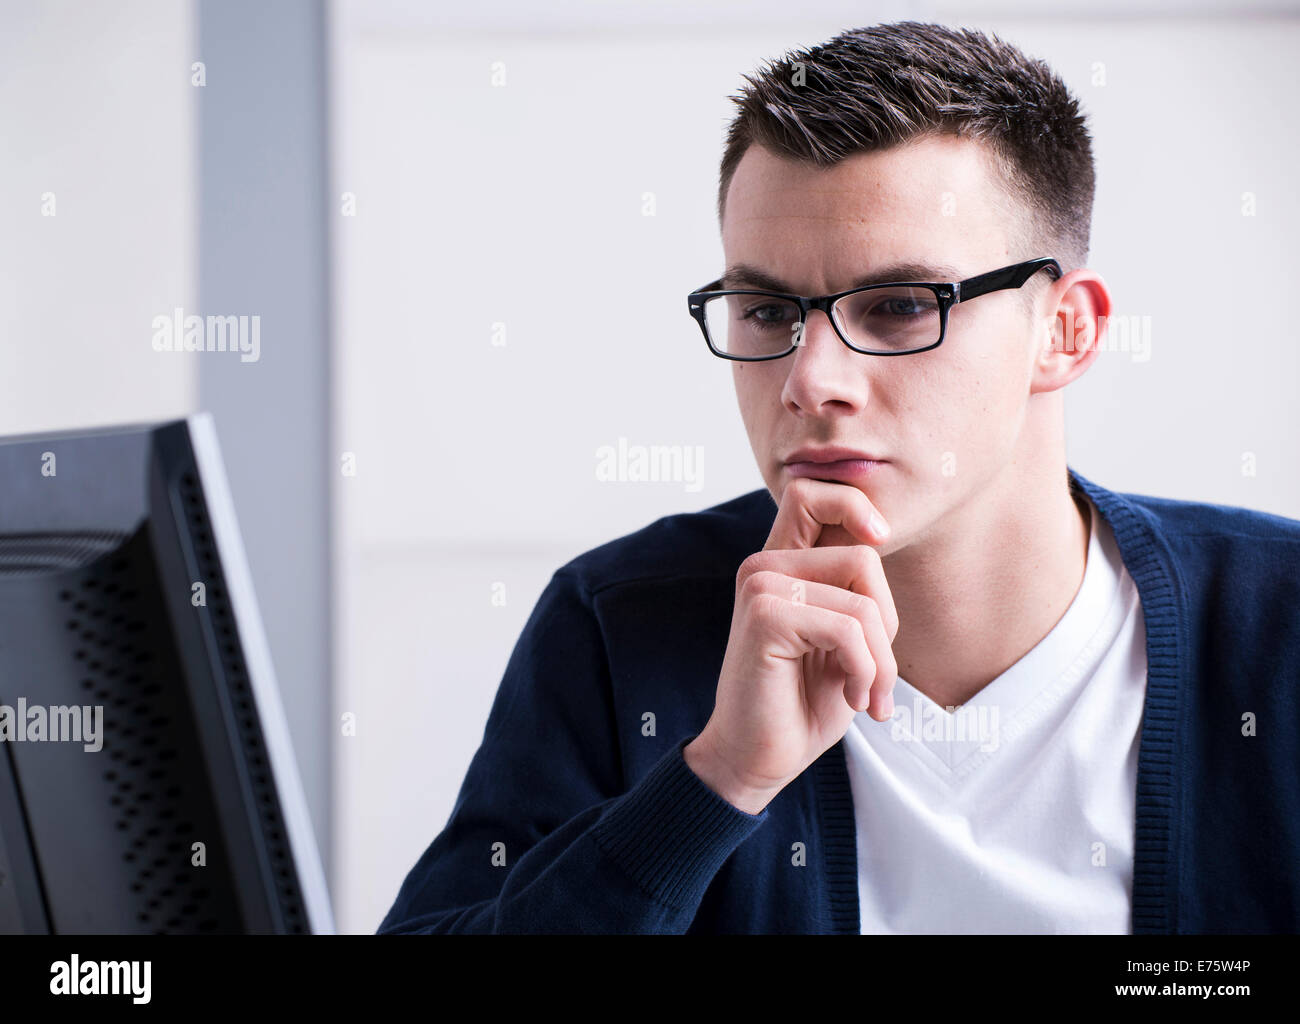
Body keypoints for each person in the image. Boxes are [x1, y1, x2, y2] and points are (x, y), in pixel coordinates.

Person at [377, 21, 1300, 934]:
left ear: (1065, 331)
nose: (809, 381)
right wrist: (716, 781)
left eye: (901, 307)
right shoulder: (620, 625)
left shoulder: (1276, 619)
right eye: (767, 308)